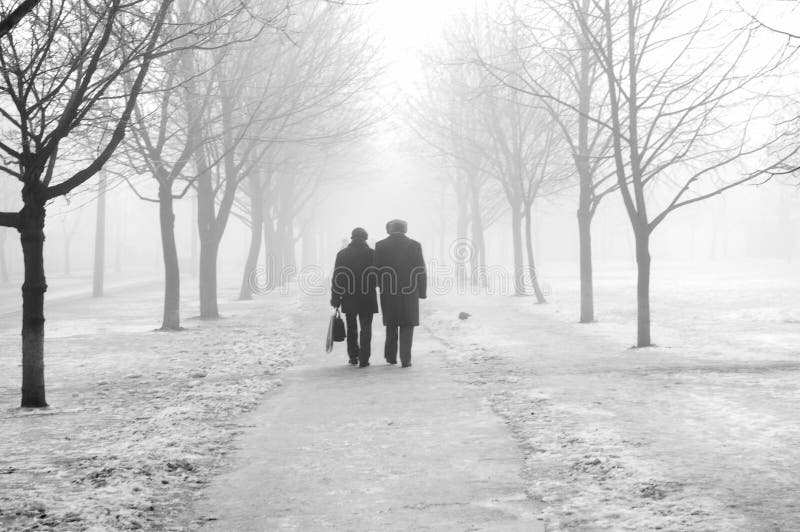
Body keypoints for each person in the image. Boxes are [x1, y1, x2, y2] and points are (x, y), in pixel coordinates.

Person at [373, 219, 427, 368]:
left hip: (388, 291)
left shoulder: (380, 245)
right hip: (410, 291)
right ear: (405, 229)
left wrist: (378, 285)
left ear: (389, 229)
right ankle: (406, 359)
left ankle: (390, 357)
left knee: (391, 323)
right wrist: (422, 291)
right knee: (407, 324)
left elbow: (375, 270)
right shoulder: (414, 245)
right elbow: (421, 270)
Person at [331, 227, 378, 367]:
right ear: (365, 238)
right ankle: (364, 358)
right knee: (366, 328)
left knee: (351, 328)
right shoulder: (372, 254)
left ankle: (353, 356)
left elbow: (337, 279)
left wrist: (335, 299)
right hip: (367, 296)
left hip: (348, 297)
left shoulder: (342, 254)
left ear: (352, 238)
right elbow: (377, 275)